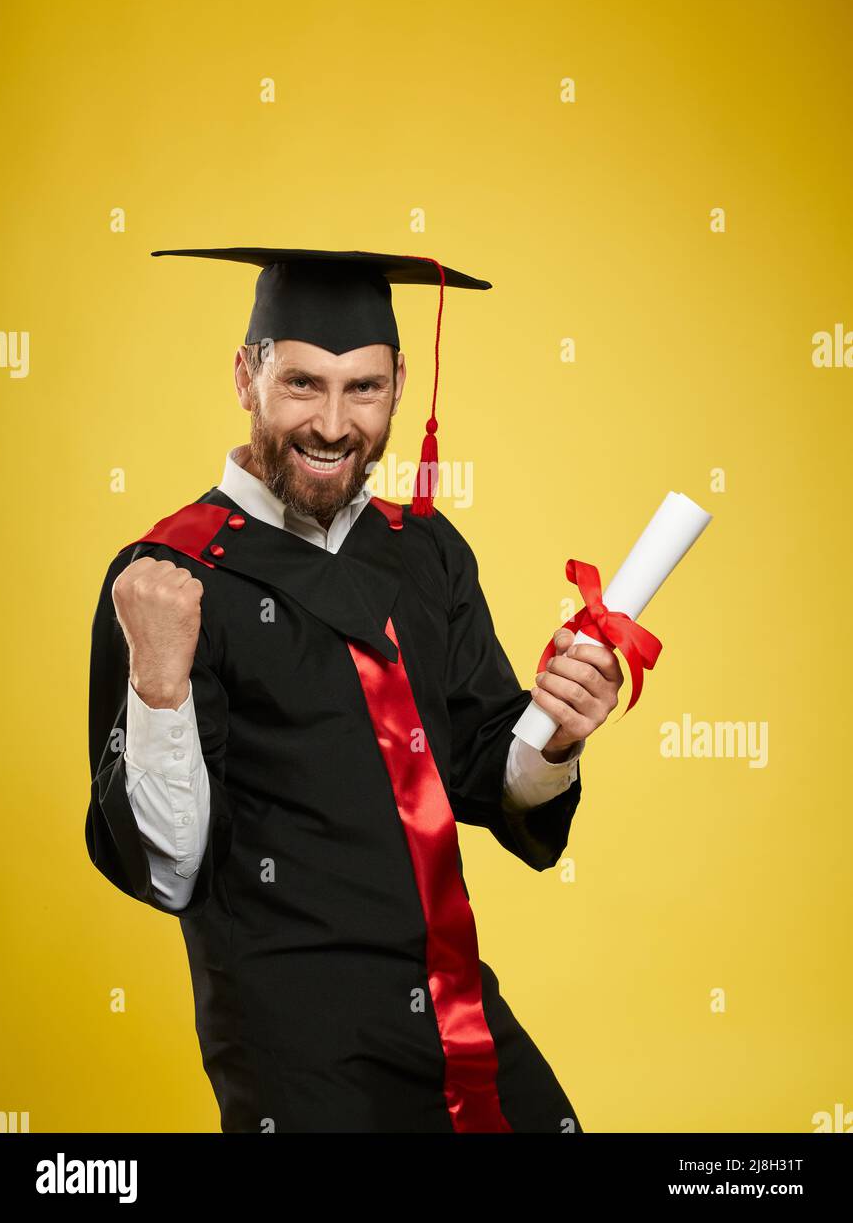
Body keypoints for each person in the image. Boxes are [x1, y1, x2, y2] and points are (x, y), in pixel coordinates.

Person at [86, 247, 624, 1133]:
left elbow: (487, 767)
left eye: (363, 389)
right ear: (245, 377)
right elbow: (169, 867)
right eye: (302, 384)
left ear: (401, 383)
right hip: (296, 1038)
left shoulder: (425, 551)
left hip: (452, 997)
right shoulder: (168, 577)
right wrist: (156, 684)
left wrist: (558, 731)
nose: (332, 425)